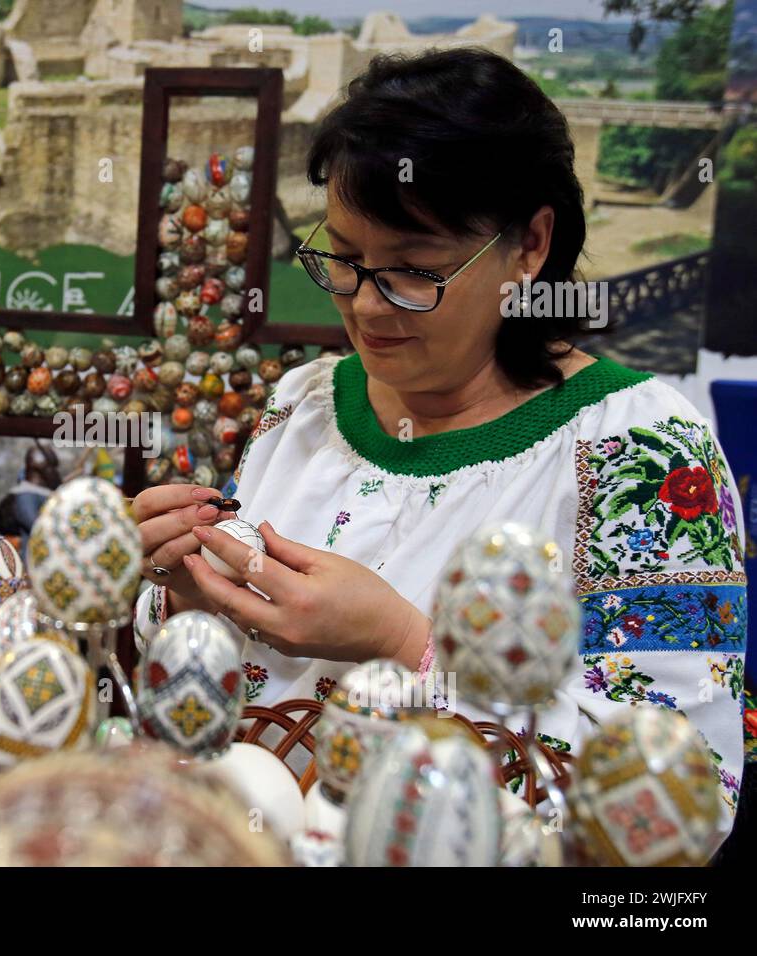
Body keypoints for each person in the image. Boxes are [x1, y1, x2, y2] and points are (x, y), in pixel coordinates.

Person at [132, 48, 748, 823]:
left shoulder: (644, 454)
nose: (367, 307)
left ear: (530, 245)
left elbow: (685, 804)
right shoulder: (309, 403)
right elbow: (228, 696)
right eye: (345, 259)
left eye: (415, 270)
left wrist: (405, 642)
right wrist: (196, 600)